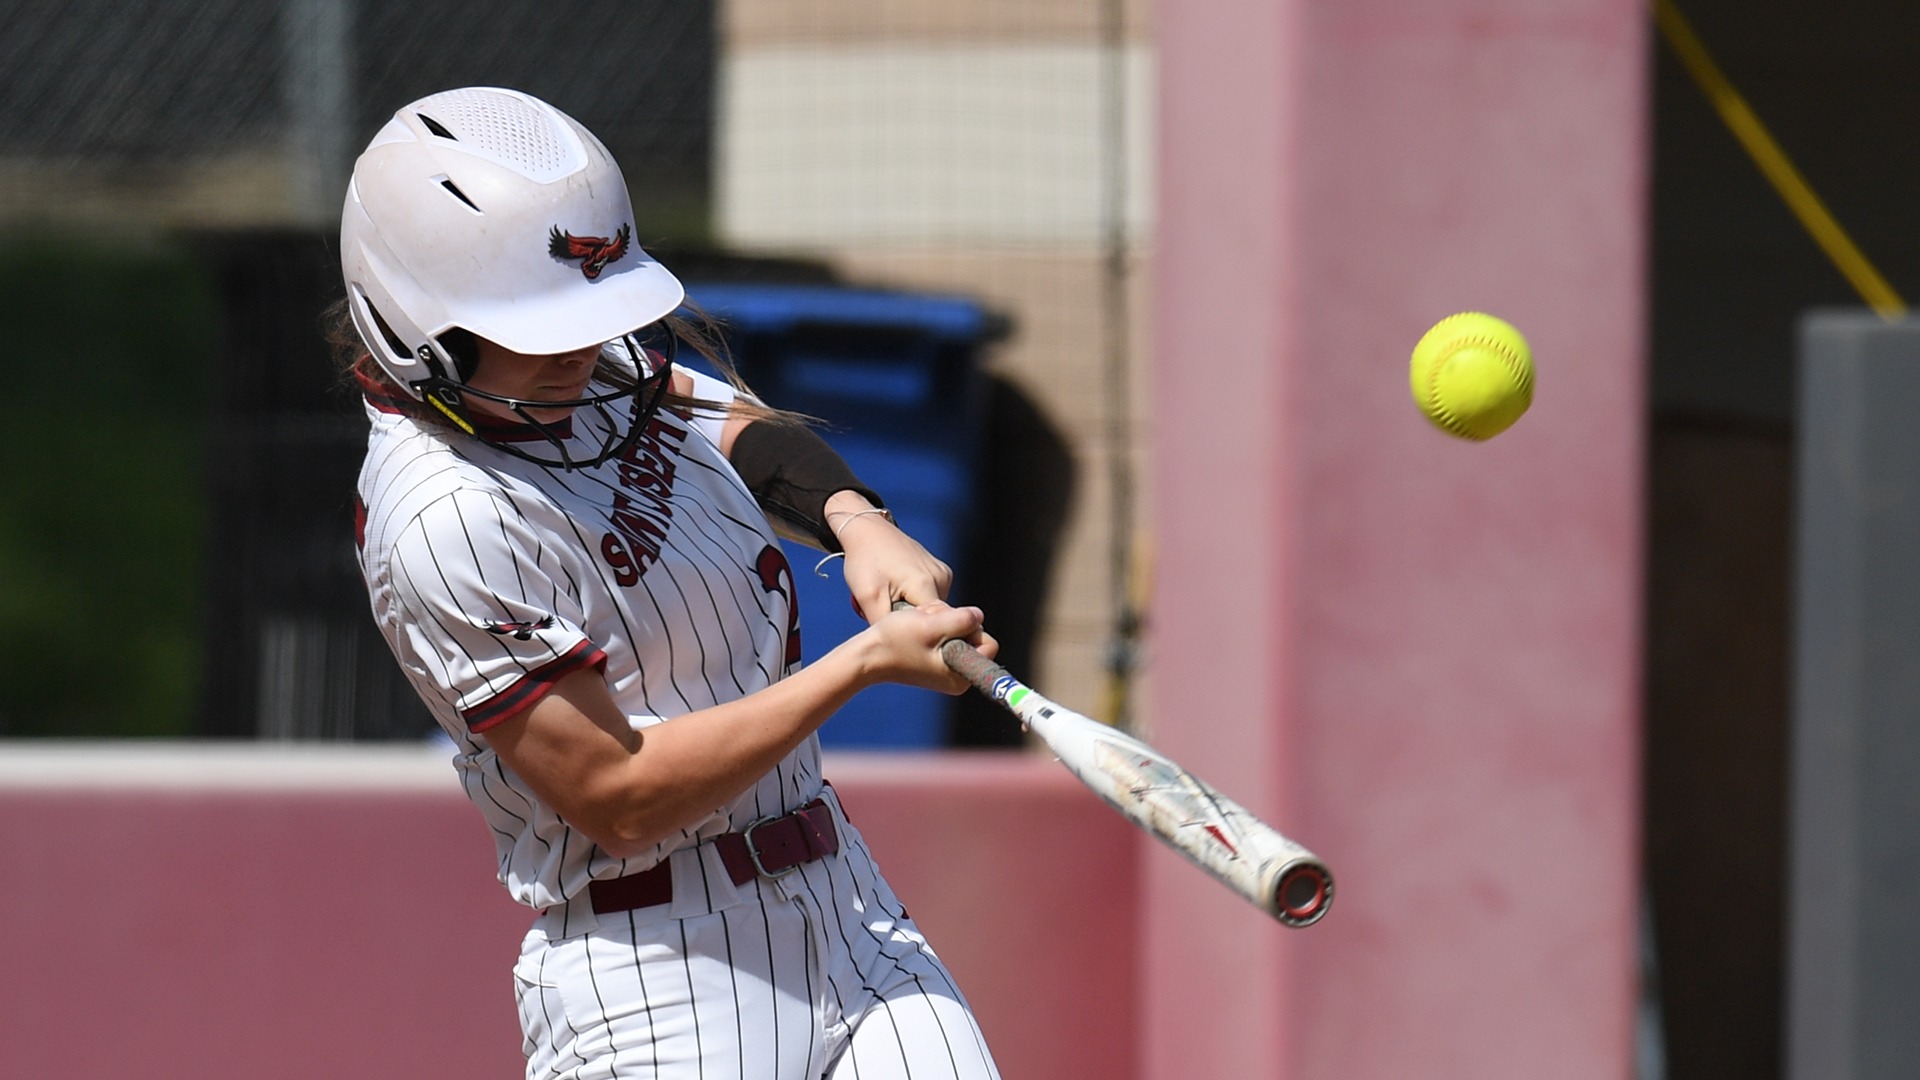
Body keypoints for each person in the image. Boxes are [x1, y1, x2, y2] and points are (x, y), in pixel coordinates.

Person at [333, 86, 1003, 1080]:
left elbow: (729, 423)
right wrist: (861, 664)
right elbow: (621, 795)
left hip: (844, 904)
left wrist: (862, 525)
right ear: (419, 322)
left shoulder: (570, 368)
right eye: (537, 320)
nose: (578, 345)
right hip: (664, 977)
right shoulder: (446, 516)